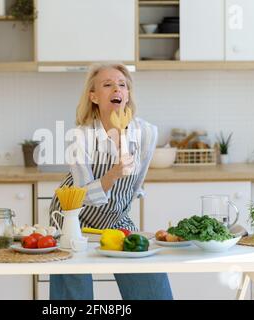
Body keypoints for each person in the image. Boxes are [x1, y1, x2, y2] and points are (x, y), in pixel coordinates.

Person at [48, 62, 173, 300]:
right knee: (74, 293)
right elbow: (84, 191)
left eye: (122, 85)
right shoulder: (81, 136)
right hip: (73, 218)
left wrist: (121, 205)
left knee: (148, 279)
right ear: (93, 96)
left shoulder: (146, 132)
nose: (117, 88)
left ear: (127, 95)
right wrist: (115, 172)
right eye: (108, 84)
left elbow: (137, 182)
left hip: (116, 217)